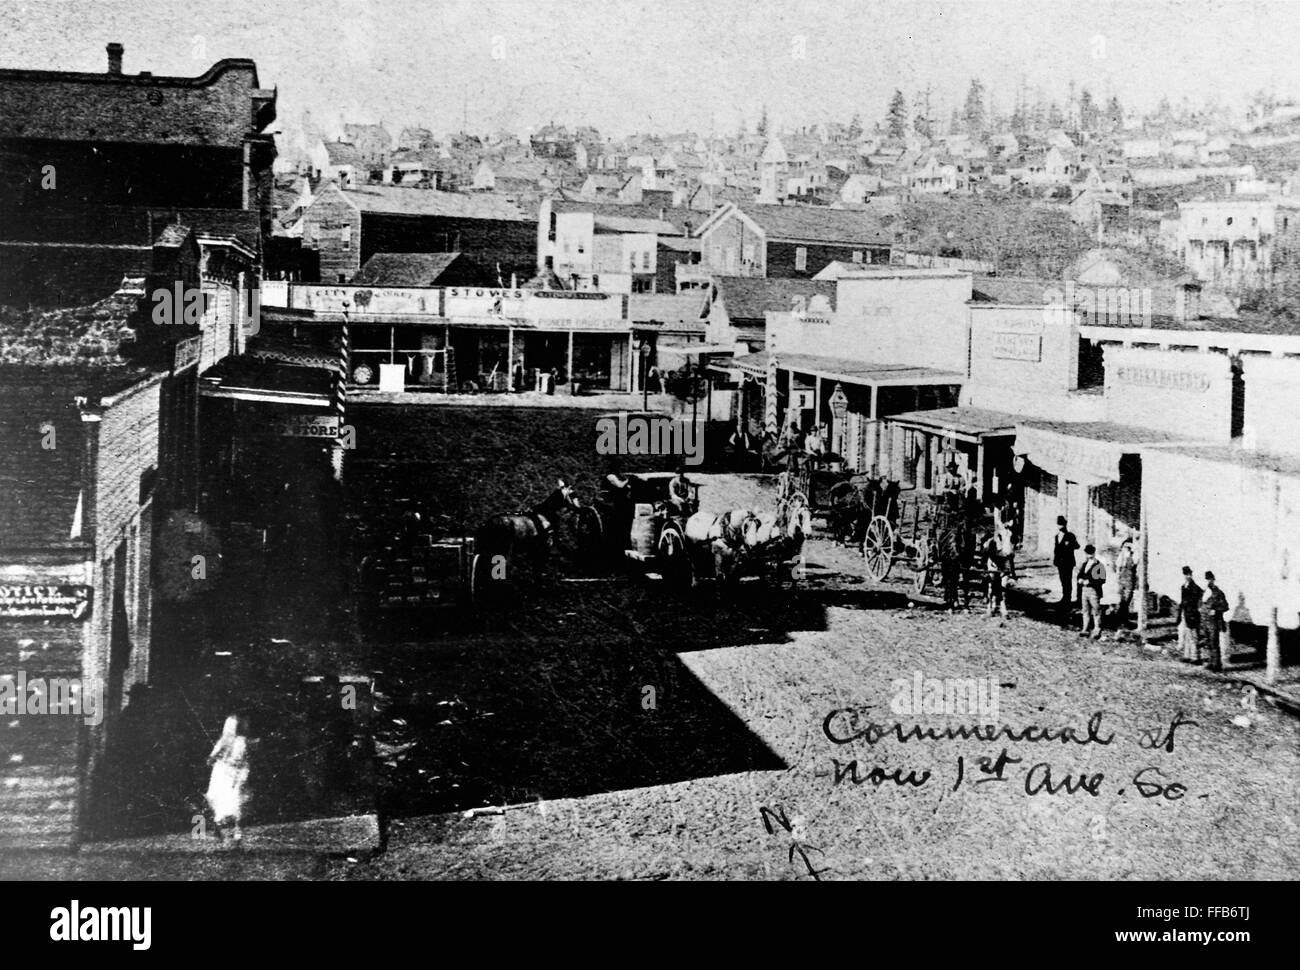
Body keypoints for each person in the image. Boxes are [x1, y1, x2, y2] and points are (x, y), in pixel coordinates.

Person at [205, 714, 250, 843]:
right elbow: (211, 758)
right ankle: (223, 828)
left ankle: (236, 829)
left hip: (236, 772)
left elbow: (244, 758)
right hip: (224, 773)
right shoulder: (226, 741)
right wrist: (216, 756)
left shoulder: (241, 741)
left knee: (236, 800)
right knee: (225, 801)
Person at [1200, 571, 1230, 672]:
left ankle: (1217, 665)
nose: (1208, 581)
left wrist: (1216, 610)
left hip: (1214, 621)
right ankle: (1211, 662)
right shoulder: (1204, 592)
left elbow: (1225, 606)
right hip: (1205, 620)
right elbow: (1200, 603)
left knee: (1214, 643)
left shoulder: (1218, 593)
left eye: (1210, 579)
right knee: (1208, 642)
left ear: (1213, 580)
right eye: (1207, 580)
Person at [1076, 544, 1106, 639]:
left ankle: (1097, 629)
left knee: (1096, 610)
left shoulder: (1099, 565)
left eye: (1091, 553)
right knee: (1085, 610)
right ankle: (1085, 629)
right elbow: (1080, 575)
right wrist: (1080, 579)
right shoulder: (1085, 564)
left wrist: (1091, 581)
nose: (1089, 555)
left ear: (1094, 553)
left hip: (1094, 591)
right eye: (1088, 553)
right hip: (1084, 590)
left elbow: (1102, 579)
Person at [1053, 516, 1080, 621]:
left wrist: (1069, 545)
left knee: (1067, 580)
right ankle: (1064, 598)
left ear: (1065, 525)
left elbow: (1077, 546)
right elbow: (1056, 549)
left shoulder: (1070, 535)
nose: (1060, 526)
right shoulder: (1056, 536)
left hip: (1068, 562)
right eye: (1059, 524)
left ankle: (1067, 600)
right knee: (1062, 580)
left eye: (1062, 524)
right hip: (1060, 562)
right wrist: (1055, 560)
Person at [1176, 566, 1203, 663]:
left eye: (1189, 574)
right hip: (1185, 614)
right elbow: (1182, 601)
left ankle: (1195, 657)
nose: (1188, 576)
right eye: (1186, 574)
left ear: (1191, 575)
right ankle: (1187, 655)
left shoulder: (1195, 588)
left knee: (1193, 636)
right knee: (1186, 635)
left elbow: (1197, 600)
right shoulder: (1183, 587)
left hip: (1192, 614)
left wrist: (1193, 608)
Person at [980, 529, 1009, 619]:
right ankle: (989, 609)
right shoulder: (990, 548)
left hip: (1003, 568)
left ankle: (1003, 610)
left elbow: (1008, 563)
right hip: (992, 567)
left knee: (1002, 589)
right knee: (991, 589)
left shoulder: (1006, 551)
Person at [1114, 539, 1138, 629]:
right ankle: (1120, 621)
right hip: (1121, 580)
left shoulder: (1133, 556)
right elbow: (1118, 567)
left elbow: (1135, 564)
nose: (1125, 549)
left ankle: (1124, 621)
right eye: (1124, 547)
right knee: (1121, 601)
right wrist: (1117, 579)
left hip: (1129, 581)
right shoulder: (1121, 557)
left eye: (1127, 547)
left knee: (1126, 602)